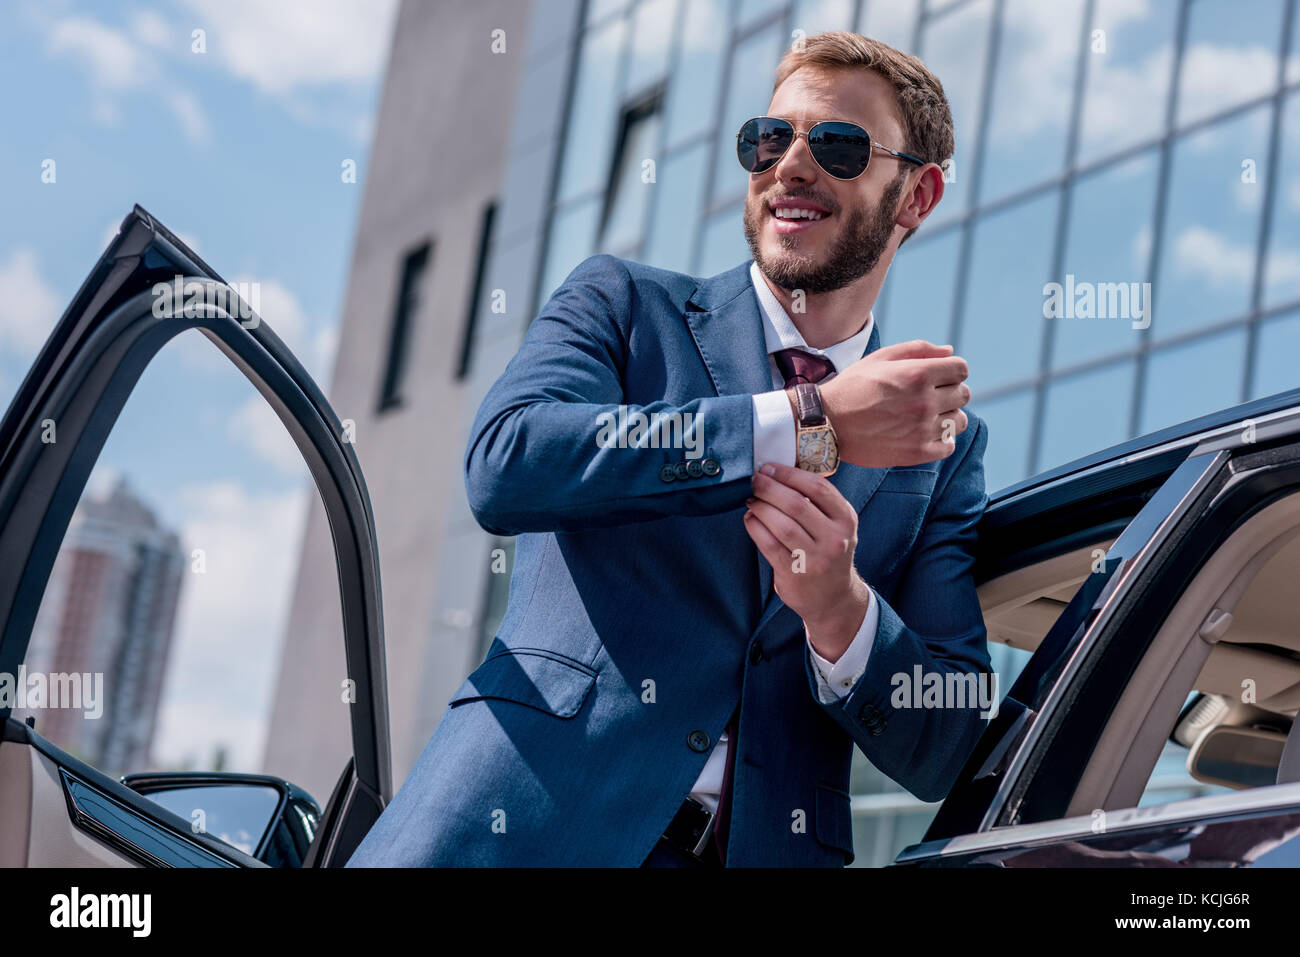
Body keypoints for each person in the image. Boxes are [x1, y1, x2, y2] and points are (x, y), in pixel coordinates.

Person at [347, 30, 990, 868]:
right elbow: (508, 461)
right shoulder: (623, 304)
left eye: (836, 145)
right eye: (768, 139)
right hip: (512, 833)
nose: (790, 165)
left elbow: (945, 741)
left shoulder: (944, 445)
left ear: (917, 196)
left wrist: (841, 613)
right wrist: (806, 418)